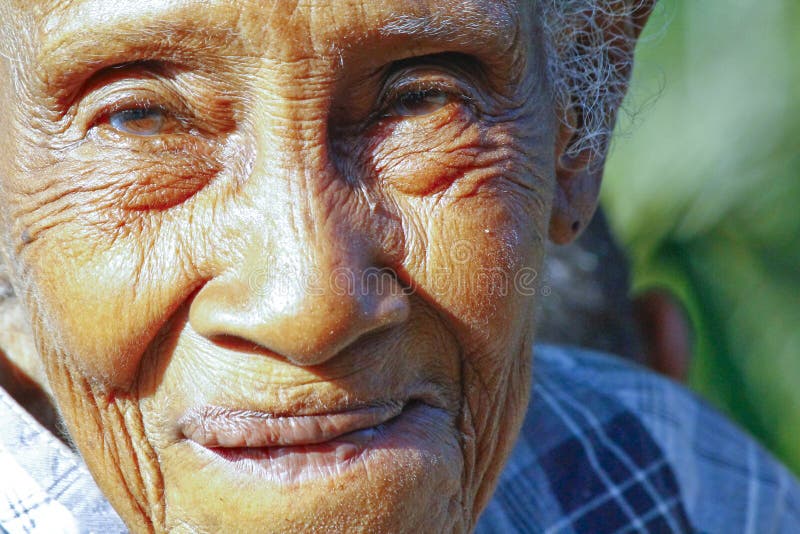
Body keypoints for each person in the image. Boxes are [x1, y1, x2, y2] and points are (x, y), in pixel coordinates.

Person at [0, 1, 797, 532]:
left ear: (577, 133)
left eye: (420, 100)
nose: (310, 305)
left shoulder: (681, 488)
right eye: (140, 117)